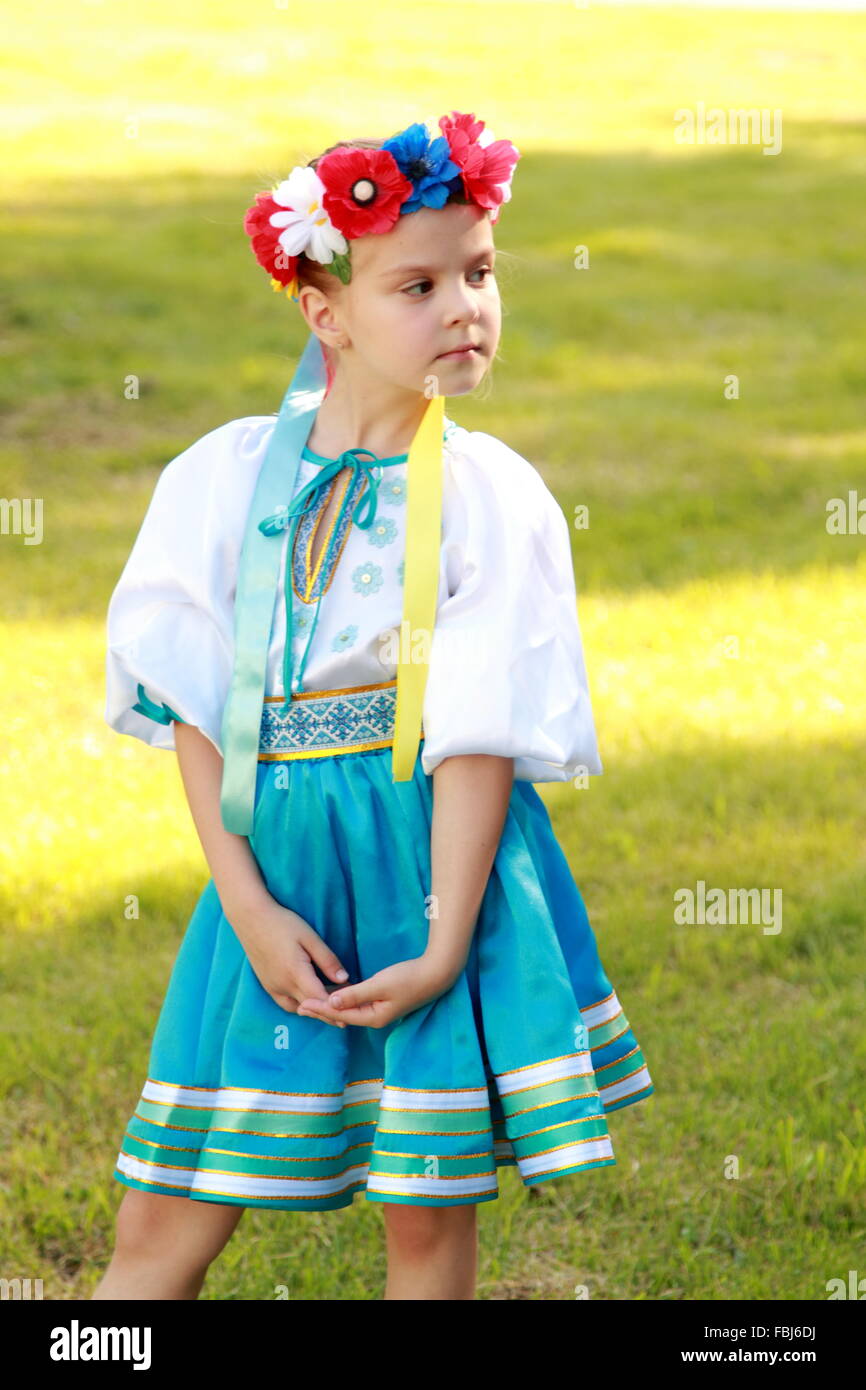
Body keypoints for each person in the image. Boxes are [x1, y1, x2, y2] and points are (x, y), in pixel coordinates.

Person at [93, 111, 654, 1302]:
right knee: (164, 1218)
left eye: (480, 272)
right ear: (322, 308)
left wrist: (447, 934)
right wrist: (243, 902)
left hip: (427, 859)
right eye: (419, 283)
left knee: (424, 1213)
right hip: (276, 864)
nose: (464, 307)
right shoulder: (223, 479)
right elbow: (199, 704)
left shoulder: (486, 497)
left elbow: (476, 732)